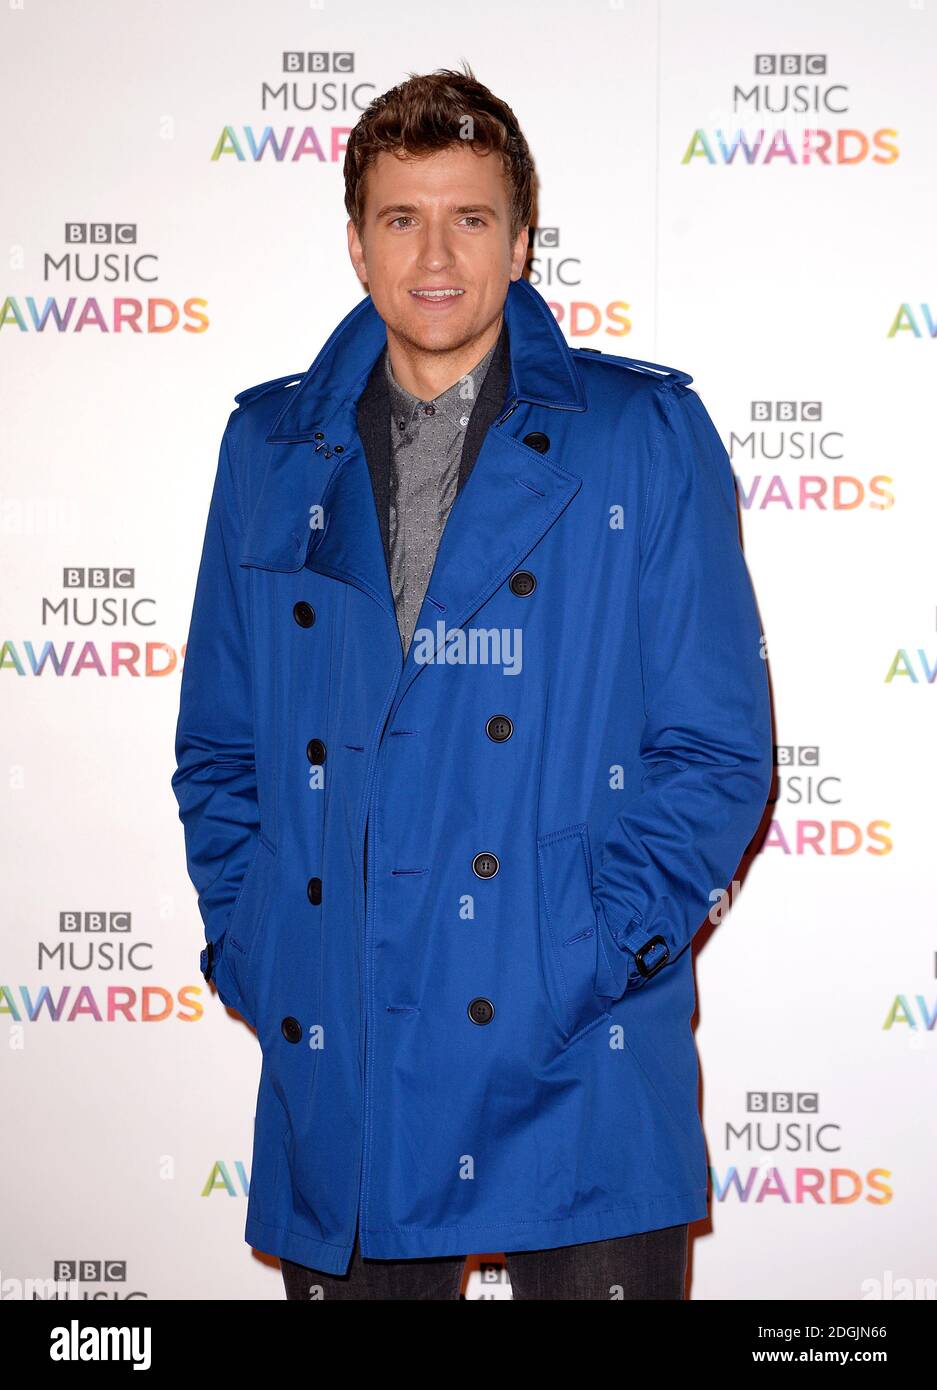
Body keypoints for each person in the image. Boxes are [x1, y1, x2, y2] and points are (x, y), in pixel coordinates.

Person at [172, 63, 773, 1301]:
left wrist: (590, 946)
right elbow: (221, 746)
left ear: (519, 242)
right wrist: (263, 941)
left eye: (470, 218)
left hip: (576, 1054)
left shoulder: (637, 436)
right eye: (401, 218)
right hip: (346, 1041)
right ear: (356, 244)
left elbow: (717, 747)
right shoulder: (269, 447)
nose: (434, 253)